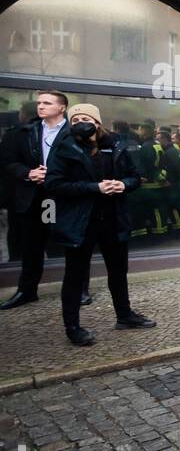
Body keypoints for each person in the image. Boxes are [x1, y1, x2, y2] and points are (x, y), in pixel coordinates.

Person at [44, 104, 156, 345]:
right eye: (75, 120)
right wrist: (93, 188)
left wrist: (123, 184)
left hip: (113, 219)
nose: (80, 123)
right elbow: (53, 184)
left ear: (97, 121)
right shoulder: (64, 146)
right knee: (75, 276)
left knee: (118, 271)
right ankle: (72, 327)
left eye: (85, 118)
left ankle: (124, 315)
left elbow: (135, 176)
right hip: (80, 222)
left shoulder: (115, 143)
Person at [0, 90, 67, 309]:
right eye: (39, 103)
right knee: (31, 246)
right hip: (34, 197)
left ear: (62, 108)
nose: (41, 106)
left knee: (69, 243)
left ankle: (79, 289)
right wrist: (28, 173)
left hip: (61, 197)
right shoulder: (23, 132)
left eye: (47, 103)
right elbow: (8, 161)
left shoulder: (74, 132)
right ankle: (27, 290)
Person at [156, 127, 180, 237]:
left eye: (159, 139)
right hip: (177, 183)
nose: (158, 142)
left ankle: (179, 232)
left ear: (165, 139)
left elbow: (170, 169)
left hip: (172, 185)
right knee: (178, 207)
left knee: (174, 208)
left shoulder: (168, 153)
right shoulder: (174, 150)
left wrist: (166, 180)